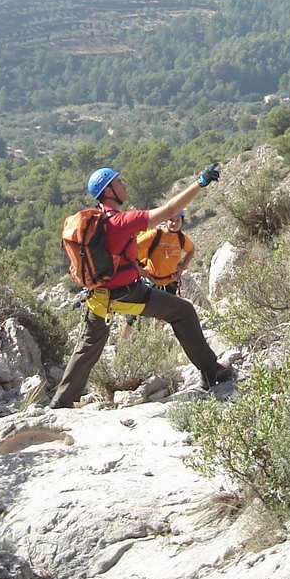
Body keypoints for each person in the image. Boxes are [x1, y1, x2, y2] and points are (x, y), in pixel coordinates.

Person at [51, 164, 232, 408]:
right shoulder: (123, 221)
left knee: (88, 345)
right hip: (127, 293)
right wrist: (200, 182)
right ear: (109, 191)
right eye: (119, 182)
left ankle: (61, 402)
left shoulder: (99, 223)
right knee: (183, 312)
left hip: (100, 295)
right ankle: (212, 372)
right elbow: (170, 210)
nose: (124, 185)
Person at [136, 210, 194, 295]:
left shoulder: (182, 239)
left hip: (170, 284)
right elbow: (132, 248)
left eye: (178, 220)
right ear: (166, 221)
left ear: (182, 222)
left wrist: (182, 267)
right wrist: (139, 270)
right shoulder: (155, 235)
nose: (174, 223)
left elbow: (191, 250)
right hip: (151, 282)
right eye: (171, 220)